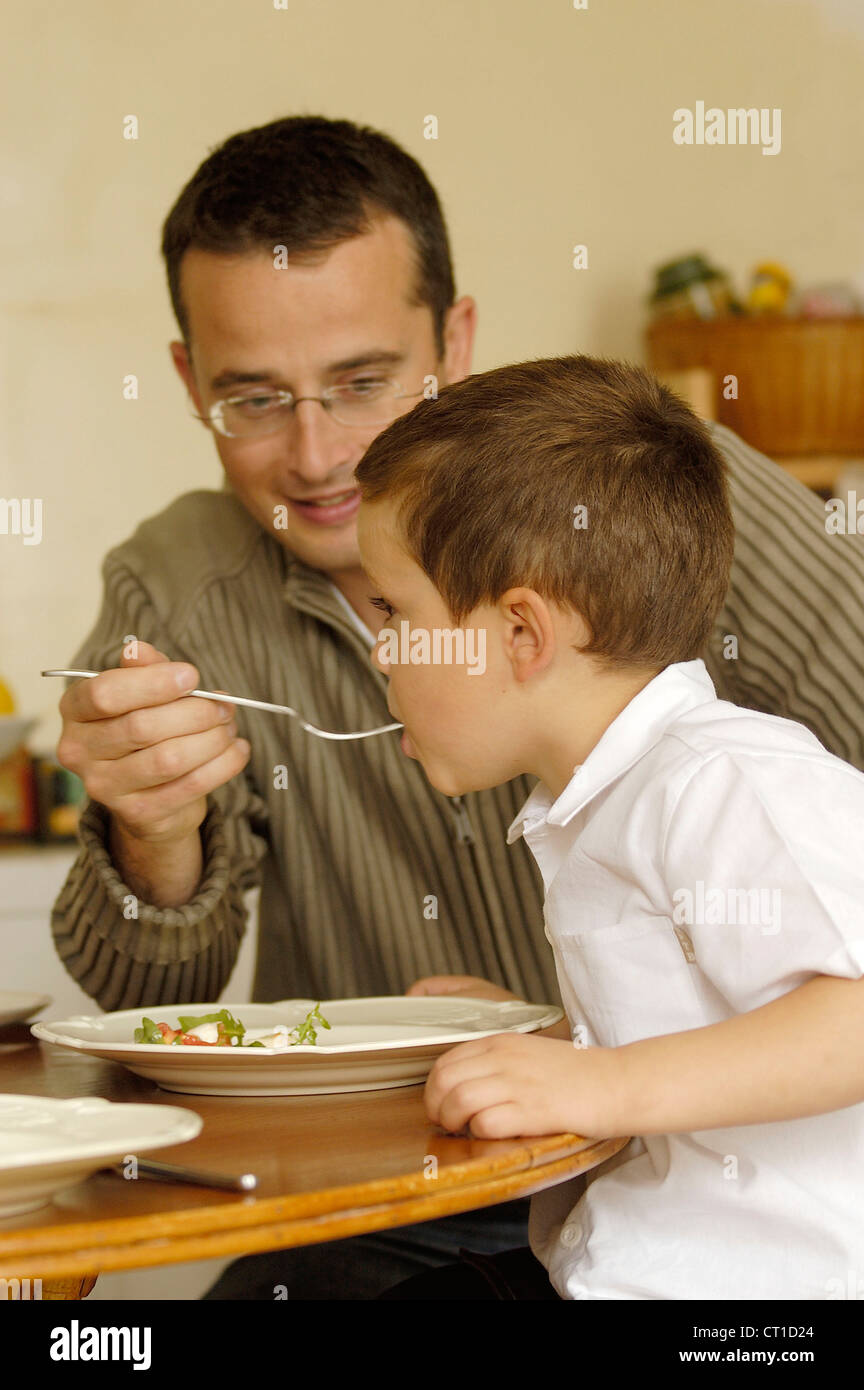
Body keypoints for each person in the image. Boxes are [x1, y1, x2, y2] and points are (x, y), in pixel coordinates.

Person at [51, 116, 864, 1299]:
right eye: (256, 399)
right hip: (411, 1206)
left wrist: (603, 1086)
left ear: (457, 339)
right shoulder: (172, 590)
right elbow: (134, 1014)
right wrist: (152, 833)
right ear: (188, 381)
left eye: (363, 381)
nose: (320, 452)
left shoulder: (676, 496)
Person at [352, 354, 864, 1301]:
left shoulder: (722, 780)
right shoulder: (605, 801)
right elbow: (711, 1022)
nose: (379, 650)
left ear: (521, 633)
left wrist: (604, 1085)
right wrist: (557, 1039)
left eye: (396, 612)